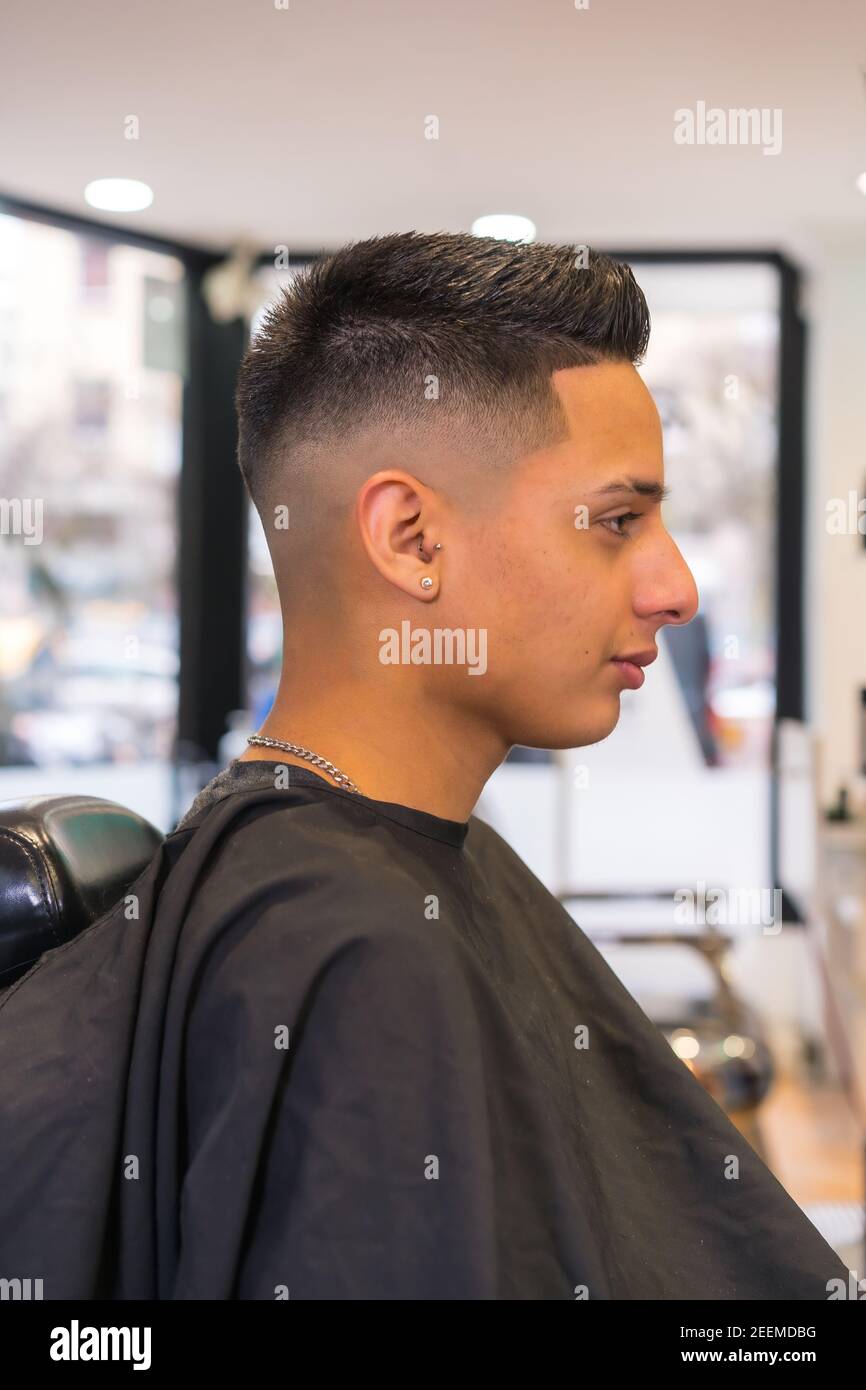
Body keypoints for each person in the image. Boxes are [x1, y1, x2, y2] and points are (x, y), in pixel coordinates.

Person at [0, 232, 848, 1299]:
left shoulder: (381, 870)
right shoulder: (352, 944)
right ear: (409, 539)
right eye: (618, 521)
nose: (674, 588)